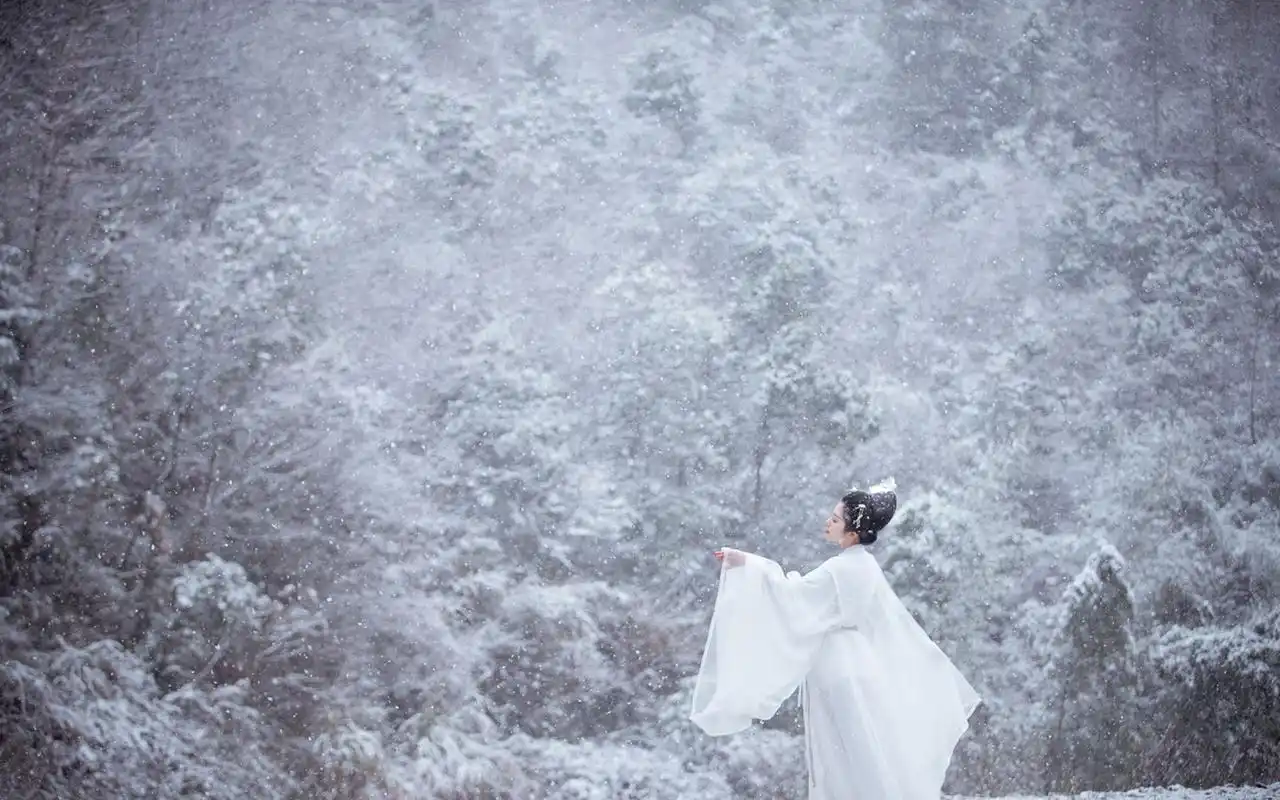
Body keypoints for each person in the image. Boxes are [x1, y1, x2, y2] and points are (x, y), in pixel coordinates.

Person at [689, 479, 980, 799]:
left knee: (854, 756)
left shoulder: (843, 569)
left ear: (853, 532)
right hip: (853, 662)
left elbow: (792, 598)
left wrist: (748, 564)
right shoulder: (861, 565)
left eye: (836, 519)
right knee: (861, 752)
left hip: (841, 669)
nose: (828, 522)